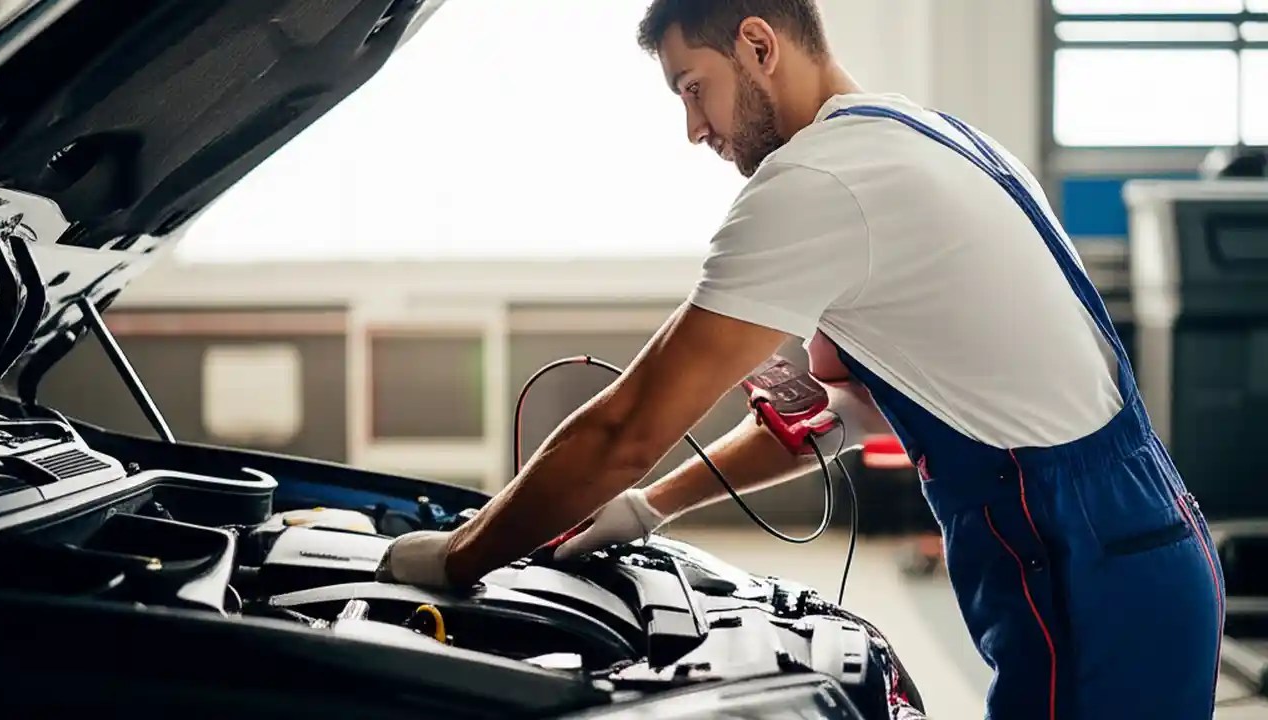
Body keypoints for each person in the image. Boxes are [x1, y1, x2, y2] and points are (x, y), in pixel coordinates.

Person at [375, 1, 1225, 717]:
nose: (693, 127)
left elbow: (626, 426)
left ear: (757, 45)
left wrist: (459, 558)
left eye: (691, 87)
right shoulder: (929, 135)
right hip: (1147, 544)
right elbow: (837, 415)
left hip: (1084, 572)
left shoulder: (820, 182)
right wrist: (649, 508)